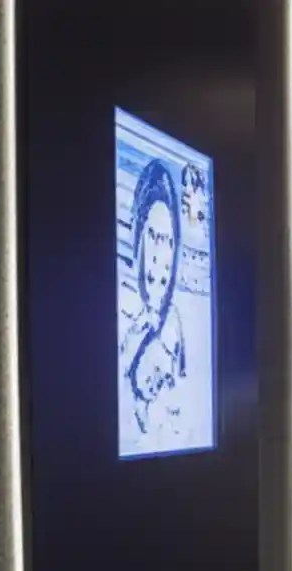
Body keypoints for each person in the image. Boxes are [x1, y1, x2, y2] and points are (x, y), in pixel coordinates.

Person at [120, 160, 187, 439]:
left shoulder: (173, 321)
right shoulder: (127, 319)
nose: (162, 255)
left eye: (168, 240)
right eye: (153, 236)